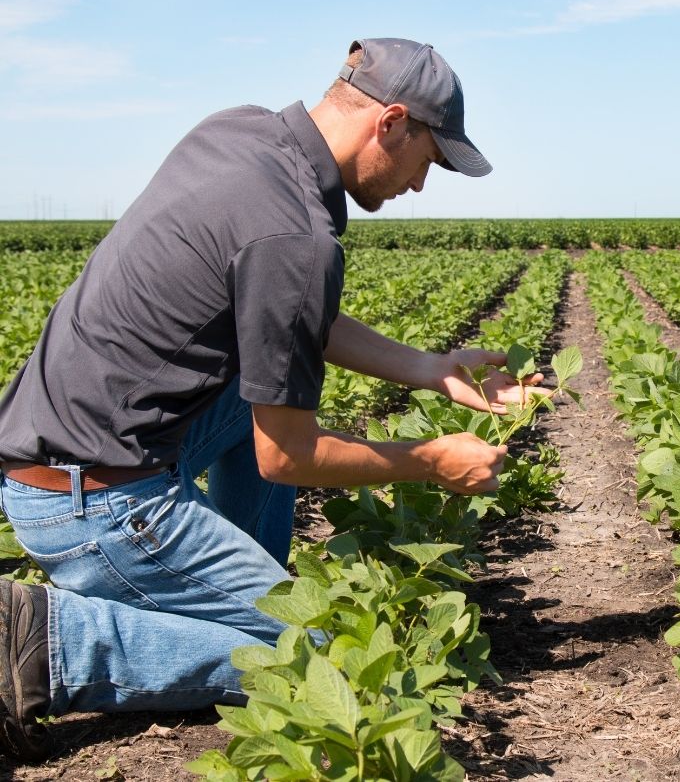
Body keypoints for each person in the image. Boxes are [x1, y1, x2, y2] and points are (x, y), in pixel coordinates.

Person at [0, 38, 543, 761]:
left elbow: (287, 312)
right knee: (315, 660)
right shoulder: (295, 233)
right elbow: (287, 455)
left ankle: (230, 583)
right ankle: (54, 640)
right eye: (430, 158)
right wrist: (433, 461)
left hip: (60, 448)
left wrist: (432, 368)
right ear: (391, 122)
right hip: (95, 501)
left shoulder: (245, 133)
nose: (422, 182)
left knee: (258, 390)